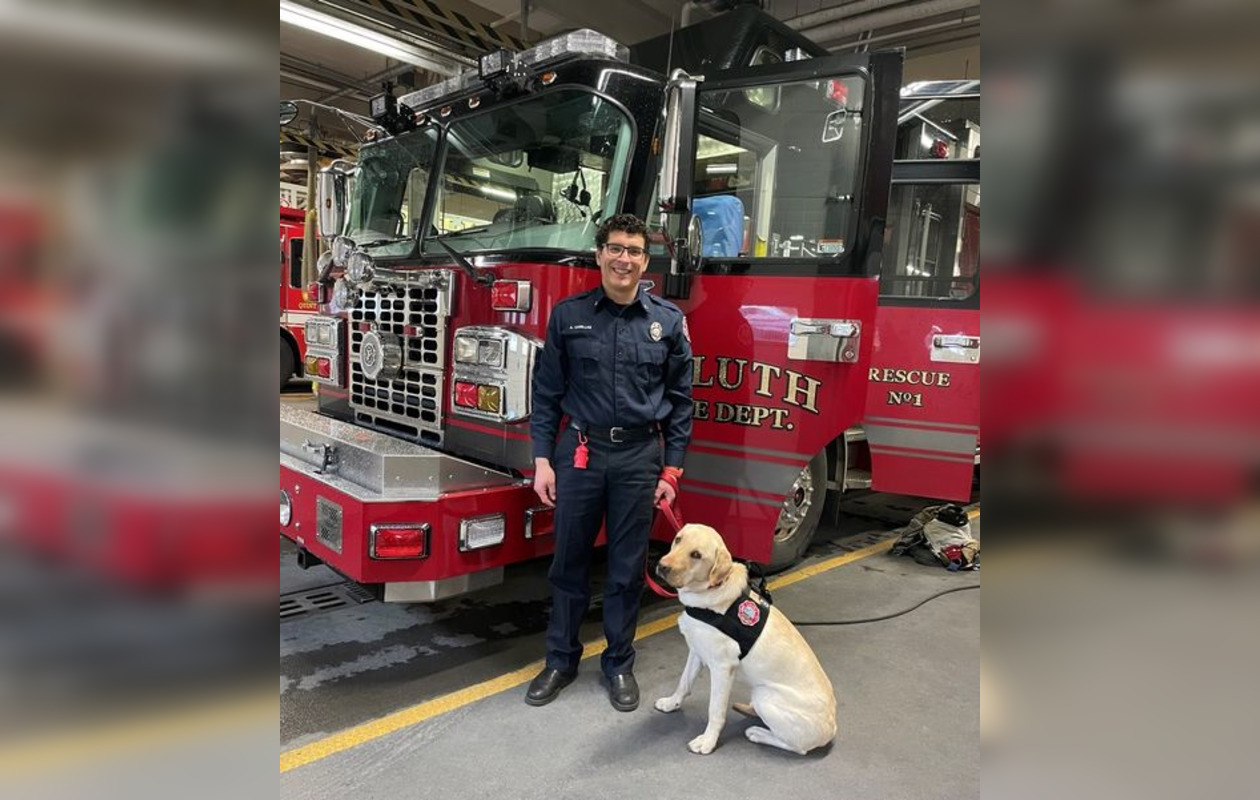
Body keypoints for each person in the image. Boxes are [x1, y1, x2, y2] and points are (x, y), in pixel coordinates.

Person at [525, 213, 693, 711]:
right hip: (579, 453)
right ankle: (560, 660)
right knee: (568, 563)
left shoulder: (668, 322)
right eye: (616, 248)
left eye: (635, 251)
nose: (625, 259)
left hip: (640, 458)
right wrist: (542, 459)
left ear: (646, 261)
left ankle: (619, 664)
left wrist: (672, 469)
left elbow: (682, 401)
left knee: (625, 569)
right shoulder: (569, 315)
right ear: (599, 255)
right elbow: (547, 394)